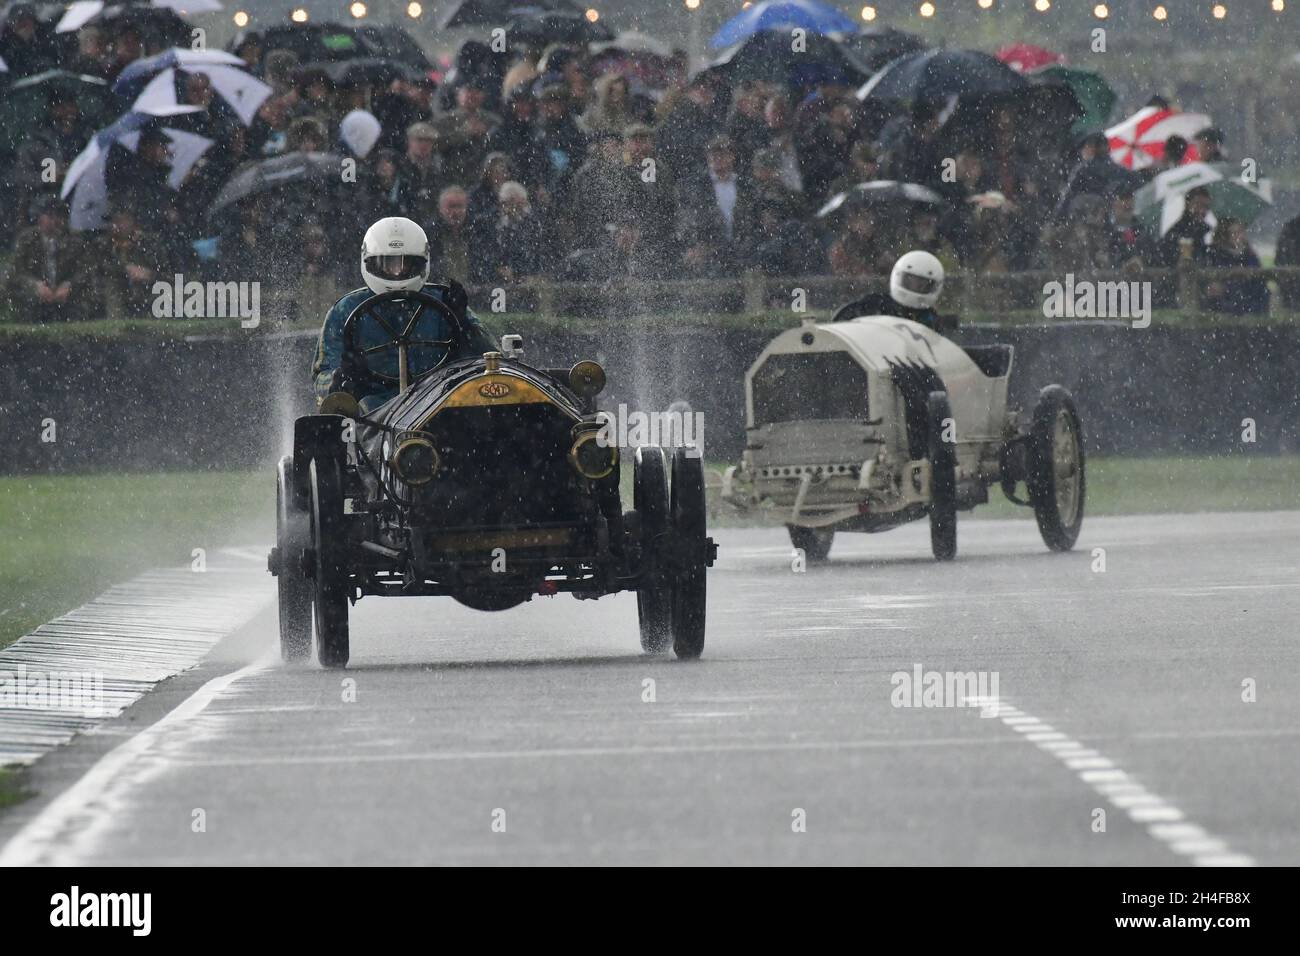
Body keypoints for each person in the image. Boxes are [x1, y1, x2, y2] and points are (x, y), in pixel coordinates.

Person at [311, 217, 495, 411]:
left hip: (441, 400)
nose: (397, 272)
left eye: (405, 264)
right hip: (373, 409)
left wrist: (464, 325)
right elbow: (321, 380)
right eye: (388, 264)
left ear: (420, 263)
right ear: (370, 263)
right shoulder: (344, 310)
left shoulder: (446, 302)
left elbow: (491, 362)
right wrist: (343, 376)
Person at [831, 250, 953, 333]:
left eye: (922, 285)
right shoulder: (874, 304)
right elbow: (842, 325)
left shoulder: (931, 319)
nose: (915, 287)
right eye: (910, 281)